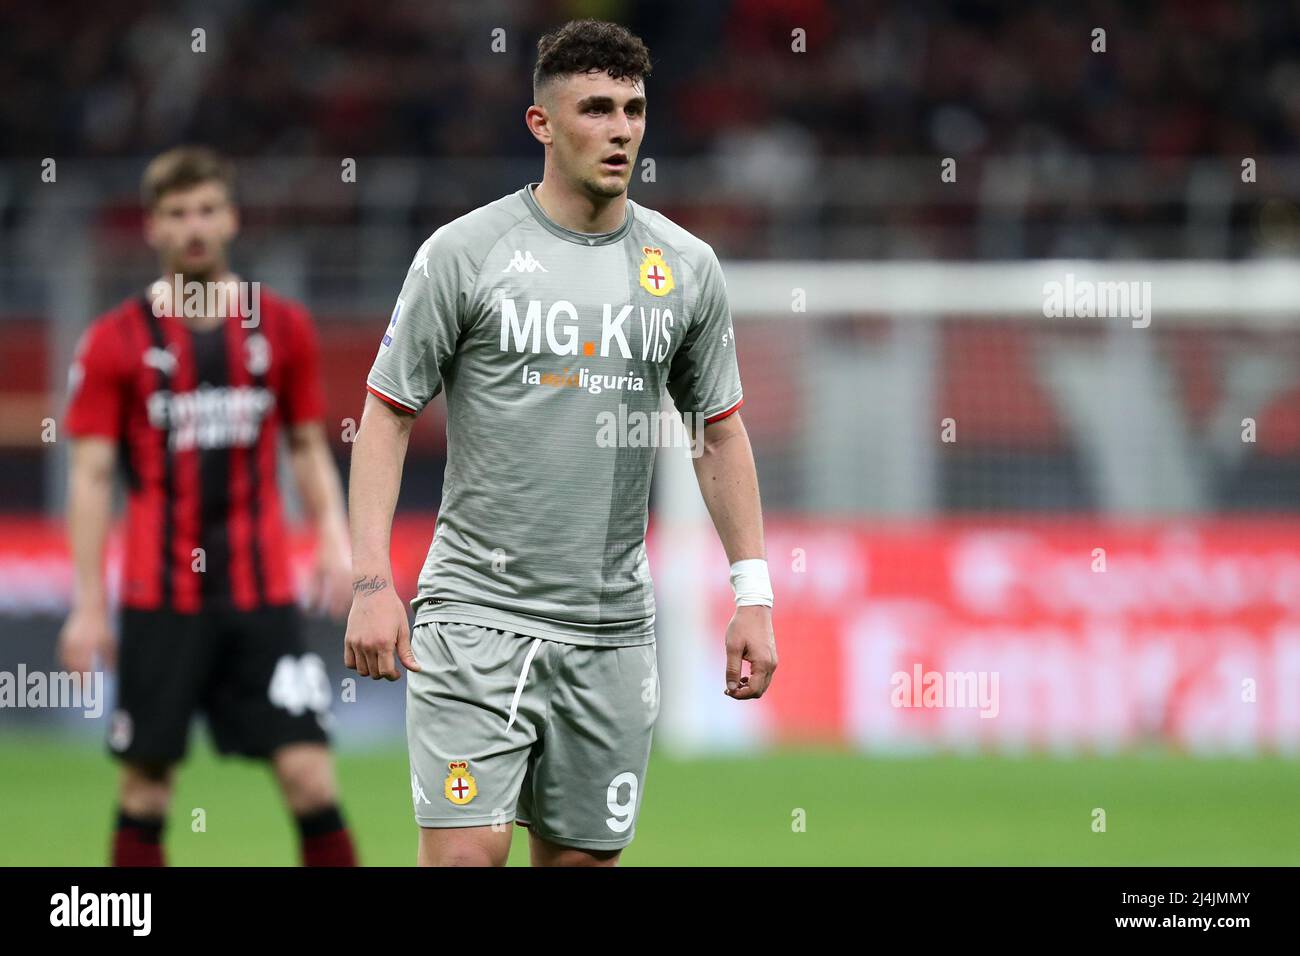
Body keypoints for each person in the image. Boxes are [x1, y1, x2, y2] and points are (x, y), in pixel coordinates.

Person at [345, 19, 776, 867]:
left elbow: (718, 435)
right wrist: (369, 580)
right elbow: (386, 414)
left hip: (613, 632)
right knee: (467, 856)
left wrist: (753, 595)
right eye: (595, 108)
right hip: (476, 616)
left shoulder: (685, 267)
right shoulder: (465, 254)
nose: (620, 130)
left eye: (633, 109)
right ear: (542, 123)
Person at [59, 146, 357, 866]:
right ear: (153, 228)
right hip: (160, 600)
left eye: (206, 210)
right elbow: (92, 478)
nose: (193, 226)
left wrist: (335, 538)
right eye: (176, 213)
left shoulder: (280, 328)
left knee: (310, 776)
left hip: (262, 597)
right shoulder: (112, 342)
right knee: (147, 789)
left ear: (231, 218)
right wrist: (89, 605)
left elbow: (307, 447)